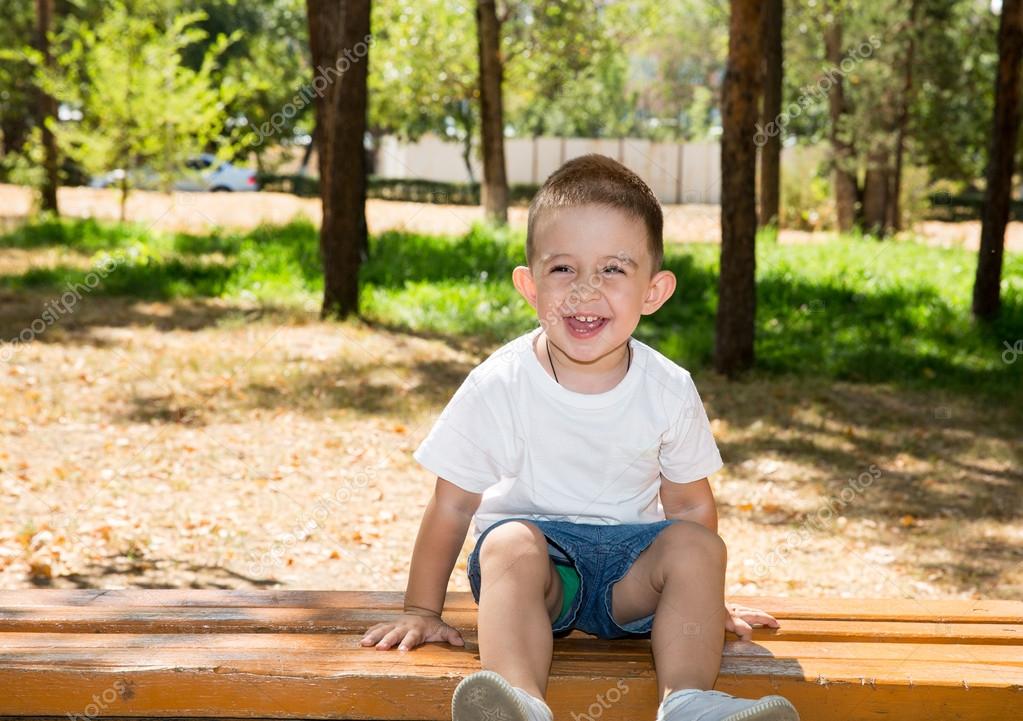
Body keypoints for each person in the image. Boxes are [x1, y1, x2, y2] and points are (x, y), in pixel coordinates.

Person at [360, 154, 799, 721]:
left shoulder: (667, 387)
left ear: (654, 291)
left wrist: (700, 599)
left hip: (633, 575)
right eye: (563, 269)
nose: (586, 291)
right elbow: (452, 504)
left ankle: (689, 702)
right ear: (529, 285)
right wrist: (422, 608)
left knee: (698, 547)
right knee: (507, 543)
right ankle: (518, 701)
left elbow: (689, 505)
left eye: (614, 270)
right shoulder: (500, 384)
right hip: (539, 576)